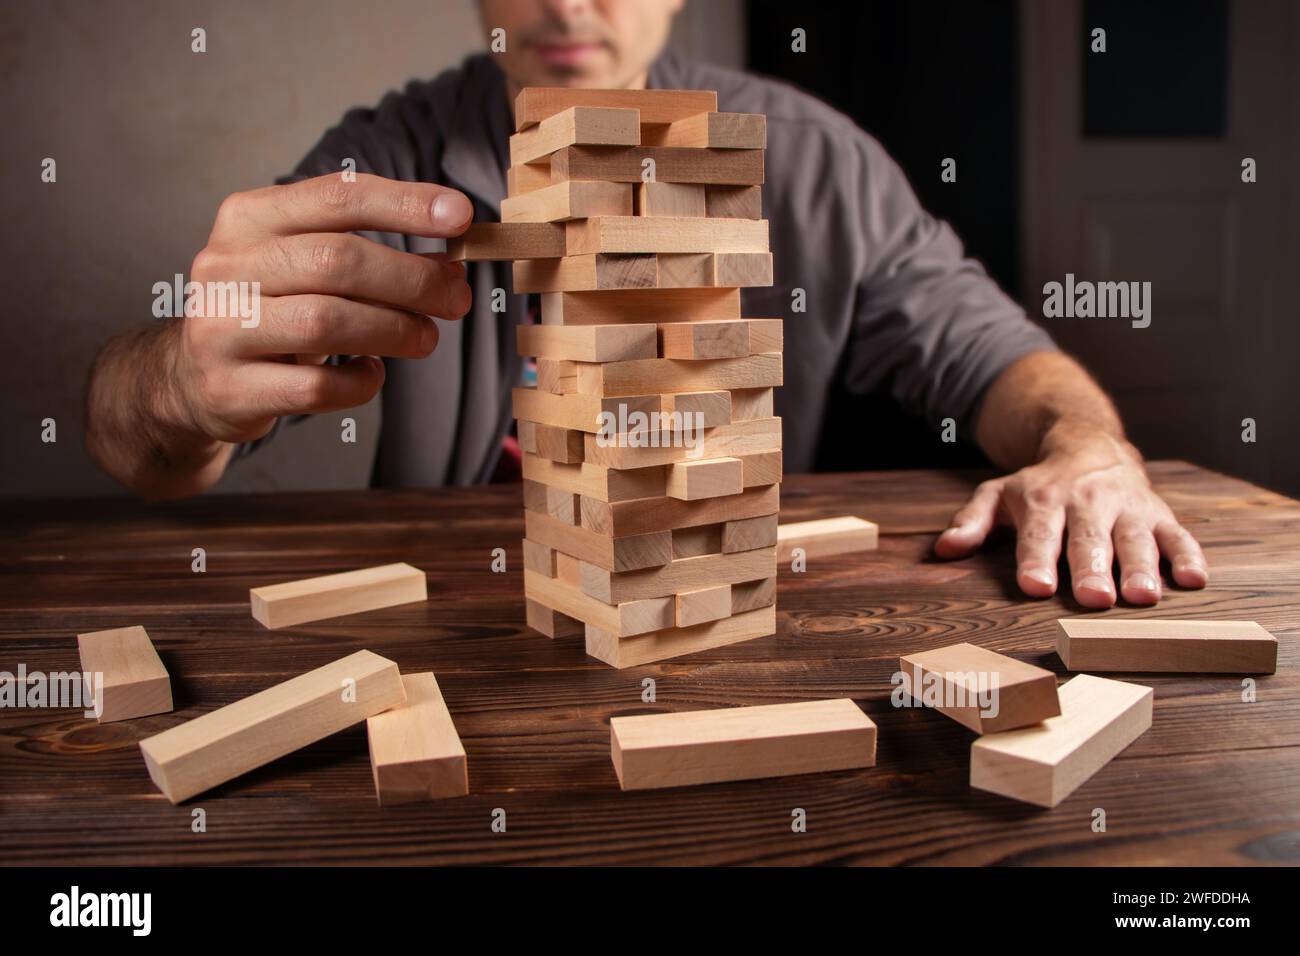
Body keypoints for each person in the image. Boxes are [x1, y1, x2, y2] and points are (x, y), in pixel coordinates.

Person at [84, 0, 1208, 610]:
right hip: (478, 624)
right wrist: (178, 382)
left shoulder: (816, 162)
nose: (572, 3)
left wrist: (1087, 445)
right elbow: (145, 444)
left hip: (706, 603)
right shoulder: (388, 160)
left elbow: (991, 355)